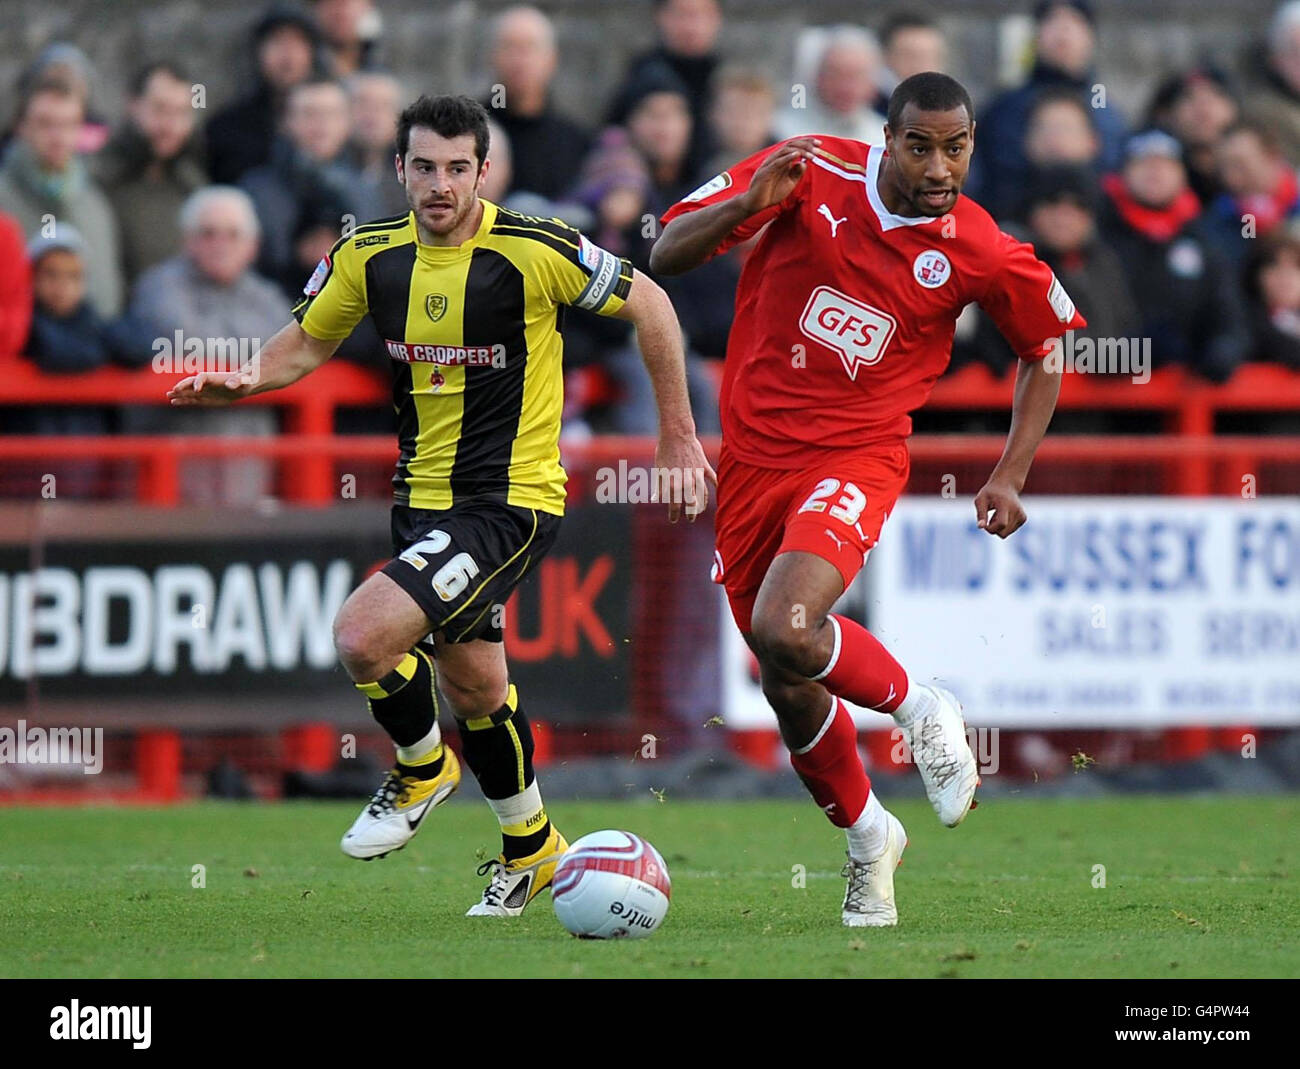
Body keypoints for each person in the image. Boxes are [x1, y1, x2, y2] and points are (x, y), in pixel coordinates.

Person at [168, 95, 711, 917]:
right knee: (477, 686)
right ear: (400, 169)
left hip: (511, 502)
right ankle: (532, 849)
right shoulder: (368, 253)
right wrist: (249, 375)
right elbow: (308, 340)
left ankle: (423, 767)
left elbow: (653, 304)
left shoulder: (535, 248)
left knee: (362, 636)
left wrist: (677, 437)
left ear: (483, 172)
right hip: (420, 501)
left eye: (458, 168)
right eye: (424, 167)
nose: (441, 184)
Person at [651, 73, 1085, 927]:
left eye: (955, 147)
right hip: (751, 459)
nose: (938, 165)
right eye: (919, 145)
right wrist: (749, 208)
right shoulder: (807, 170)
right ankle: (867, 842)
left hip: (857, 453)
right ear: (885, 139)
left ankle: (923, 708)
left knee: (788, 626)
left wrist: (1010, 472)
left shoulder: (983, 249)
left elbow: (1047, 350)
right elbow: (664, 254)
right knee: (785, 674)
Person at [1098, 129, 1249, 382]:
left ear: (1182, 175)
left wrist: (1222, 351)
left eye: (1166, 164)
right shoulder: (1097, 238)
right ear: (1123, 172)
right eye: (1143, 162)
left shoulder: (1205, 242)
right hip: (1102, 405)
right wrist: (1138, 351)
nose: (1155, 171)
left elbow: (1230, 319)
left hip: (1186, 401)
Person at [968, 0, 1127, 222]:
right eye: (1052, 22)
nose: (1063, 34)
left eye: (1074, 23)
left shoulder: (1104, 109)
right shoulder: (1004, 109)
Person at [0, 82, 123, 317]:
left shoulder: (95, 204)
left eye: (68, 125)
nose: (57, 137)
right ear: (22, 126)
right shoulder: (3, 201)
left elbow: (107, 297)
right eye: (45, 124)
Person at [95, 61, 209, 287]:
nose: (170, 126)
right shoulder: (100, 180)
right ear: (133, 105)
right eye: (159, 109)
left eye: (180, 113)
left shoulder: (193, 185)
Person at [482, 5, 591, 201]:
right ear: (492, 56)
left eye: (528, 48)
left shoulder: (574, 141)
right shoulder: (470, 128)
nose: (518, 61)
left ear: (551, 59)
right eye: (509, 47)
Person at [205, 6, 323, 185]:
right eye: (277, 42)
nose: (288, 55)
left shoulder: (331, 122)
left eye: (297, 43)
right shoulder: (227, 127)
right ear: (259, 52)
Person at [606, 0, 723, 173]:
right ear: (660, 17)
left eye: (701, 14)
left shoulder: (726, 77)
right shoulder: (641, 78)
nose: (691, 26)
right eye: (681, 14)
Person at [776, 26, 887, 144]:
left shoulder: (883, 138)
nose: (846, 87)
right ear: (817, 77)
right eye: (836, 74)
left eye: (856, 76)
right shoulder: (780, 133)